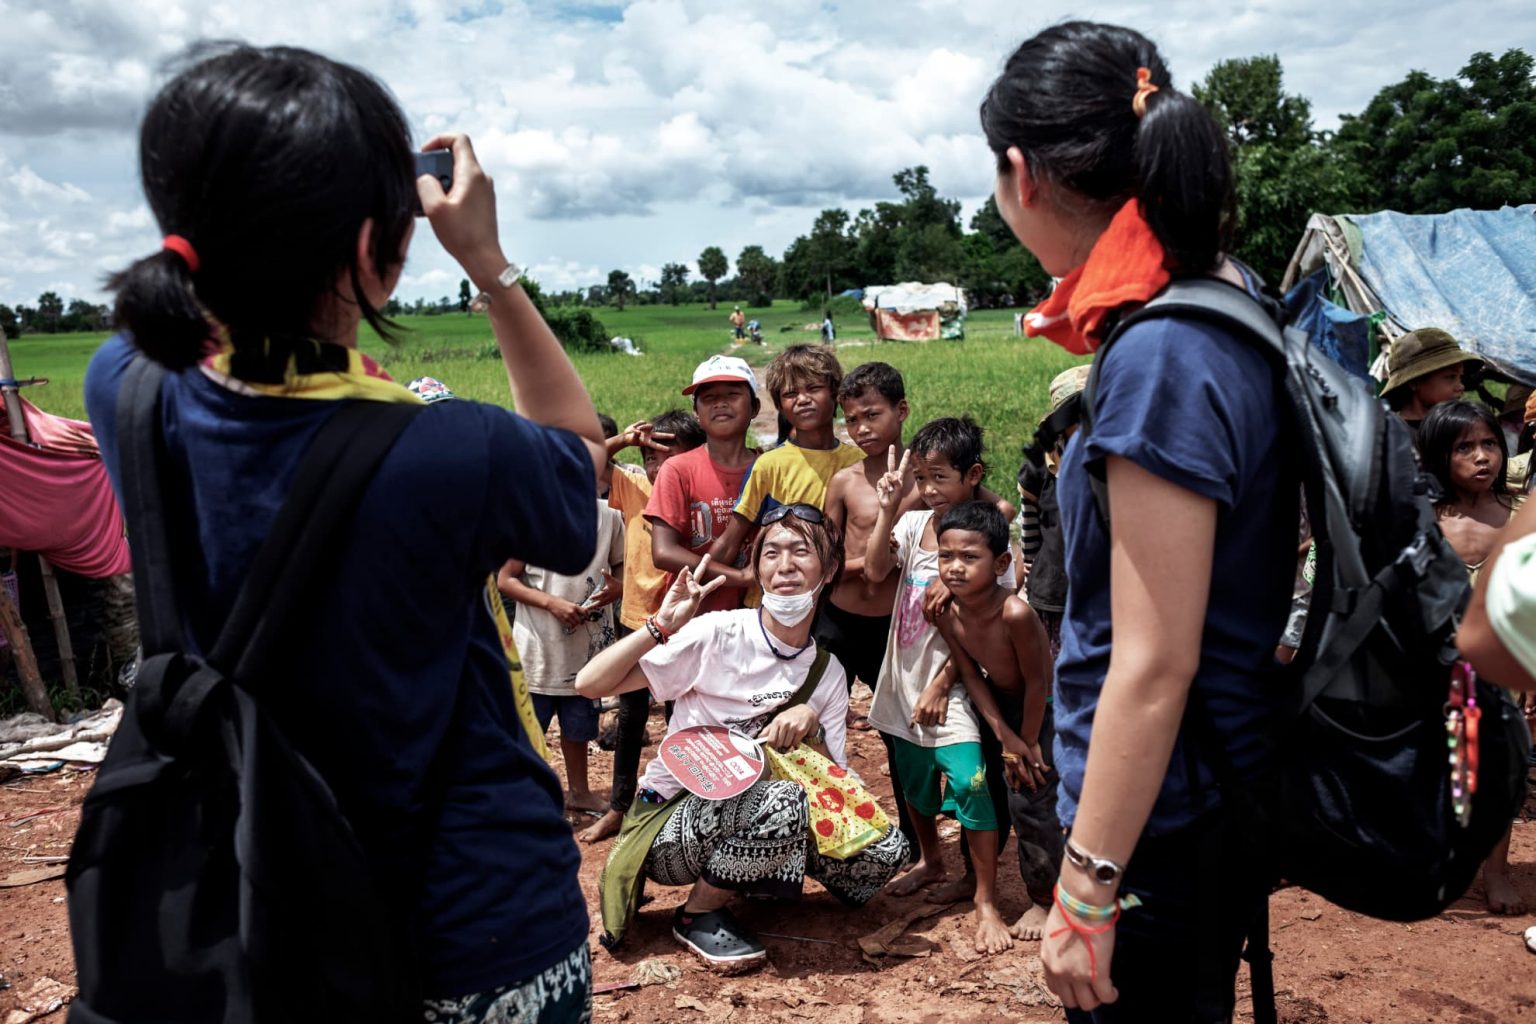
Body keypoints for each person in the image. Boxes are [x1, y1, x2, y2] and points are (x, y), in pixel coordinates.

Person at [82, 44, 607, 1022]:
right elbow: (582, 459)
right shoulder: (451, 449)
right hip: (467, 921)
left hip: (246, 903)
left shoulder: (126, 390)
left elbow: (192, 335)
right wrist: (488, 265)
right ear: (380, 252)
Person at [981, 22, 1299, 1018]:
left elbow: (1153, 659)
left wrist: (1085, 887)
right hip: (1206, 787)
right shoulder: (1228, 295)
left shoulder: (1160, 357)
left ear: (1022, 174)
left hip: (1160, 815)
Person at [577, 510, 909, 970]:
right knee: (784, 802)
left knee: (885, 852)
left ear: (829, 569)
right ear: (756, 568)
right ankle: (697, 914)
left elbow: (833, 779)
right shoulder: (717, 633)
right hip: (672, 827)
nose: (785, 565)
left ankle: (756, 872)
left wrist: (810, 722)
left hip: (760, 805)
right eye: (771, 552)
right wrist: (661, 626)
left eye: (801, 551)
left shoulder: (827, 672)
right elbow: (590, 684)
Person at [863, 417, 1019, 954]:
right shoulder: (913, 524)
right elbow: (875, 570)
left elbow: (985, 630)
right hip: (900, 681)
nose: (927, 490)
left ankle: (985, 898)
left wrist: (940, 684)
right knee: (915, 786)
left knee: (971, 783)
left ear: (971, 476)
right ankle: (931, 859)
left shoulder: (989, 538)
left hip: (952, 687)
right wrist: (888, 509)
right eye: (921, 478)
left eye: (939, 478)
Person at [932, 501, 1058, 942]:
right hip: (999, 712)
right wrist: (1003, 736)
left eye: (970, 557)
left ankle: (1045, 901)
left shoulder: (1014, 614)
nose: (955, 568)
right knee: (986, 789)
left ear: (1001, 562)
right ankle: (974, 878)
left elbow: (1039, 682)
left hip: (1039, 712)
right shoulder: (946, 610)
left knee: (1030, 798)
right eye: (946, 557)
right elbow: (969, 673)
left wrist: (1026, 743)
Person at [1421, 399, 1528, 914]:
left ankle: (1496, 873)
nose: (1482, 457)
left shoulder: (1517, 517)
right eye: (1465, 447)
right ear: (1441, 456)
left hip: (1500, 666)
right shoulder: (1424, 517)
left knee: (1500, 772)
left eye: (1490, 443)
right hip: (1433, 668)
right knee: (1435, 766)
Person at [583, 410, 707, 843]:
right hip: (636, 620)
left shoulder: (701, 495)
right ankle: (620, 807)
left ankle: (679, 805)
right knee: (632, 714)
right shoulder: (635, 487)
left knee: (683, 713)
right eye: (650, 458)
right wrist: (620, 441)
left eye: (669, 458)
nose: (658, 469)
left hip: (685, 623)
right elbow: (586, 465)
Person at [498, 501, 625, 816]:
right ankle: (522, 796)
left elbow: (623, 566)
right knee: (529, 730)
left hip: (587, 654)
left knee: (578, 725)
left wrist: (617, 588)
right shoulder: (532, 517)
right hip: (538, 651)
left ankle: (579, 792)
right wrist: (552, 603)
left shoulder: (609, 517)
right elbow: (505, 578)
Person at [706, 345, 863, 589]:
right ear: (779, 405)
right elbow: (730, 541)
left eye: (813, 388)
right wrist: (698, 581)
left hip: (839, 598)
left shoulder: (859, 461)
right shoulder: (768, 465)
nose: (803, 399)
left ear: (835, 394)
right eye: (790, 394)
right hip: (777, 599)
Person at [645, 355, 760, 613]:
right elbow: (663, 552)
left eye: (732, 394)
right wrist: (740, 577)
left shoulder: (769, 465)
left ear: (755, 408)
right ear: (696, 413)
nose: (720, 404)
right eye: (708, 398)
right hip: (692, 613)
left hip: (757, 615)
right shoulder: (678, 469)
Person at [1380, 328, 1483, 440]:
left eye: (1460, 378)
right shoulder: (1393, 439)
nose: (1461, 386)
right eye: (1450, 377)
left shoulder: (1457, 430)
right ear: (1414, 382)